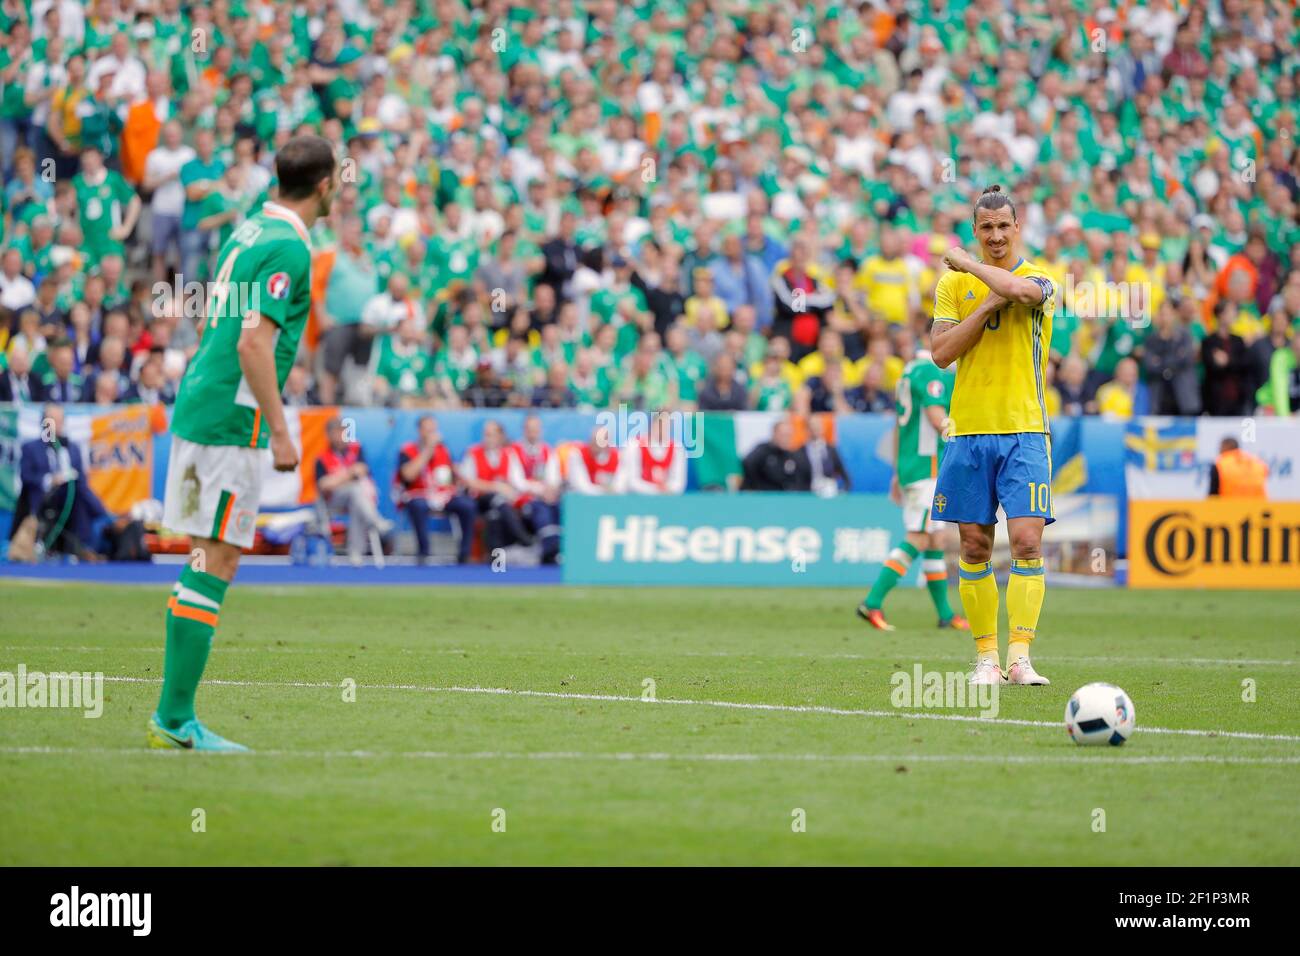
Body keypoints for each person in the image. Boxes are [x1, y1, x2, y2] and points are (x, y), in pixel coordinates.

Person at [152, 134, 337, 752]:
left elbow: (218, 320)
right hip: (232, 420)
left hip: (201, 402)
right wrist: (281, 430)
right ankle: (175, 720)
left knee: (203, 557)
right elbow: (253, 343)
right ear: (325, 185)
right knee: (219, 559)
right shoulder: (287, 246)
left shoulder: (252, 229)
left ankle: (172, 717)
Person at [930, 185, 1056, 686]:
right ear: (976, 230)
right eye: (987, 227)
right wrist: (982, 305)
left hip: (1025, 429)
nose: (997, 235)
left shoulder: (1041, 279)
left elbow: (1022, 293)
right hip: (968, 431)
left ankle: (1020, 656)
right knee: (975, 546)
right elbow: (941, 353)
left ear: (1018, 227)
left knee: (1026, 541)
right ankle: (987, 659)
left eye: (1005, 226)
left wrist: (969, 264)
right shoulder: (950, 287)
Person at [859, 323, 968, 632]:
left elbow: (899, 424)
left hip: (913, 467)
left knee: (936, 538)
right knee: (919, 536)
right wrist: (965, 439)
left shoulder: (909, 372)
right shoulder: (932, 373)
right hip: (927, 468)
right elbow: (936, 419)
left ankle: (945, 614)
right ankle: (872, 602)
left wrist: (896, 470)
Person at [17, 403, 109, 560]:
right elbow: (26, 476)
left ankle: (82, 546)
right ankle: (103, 516)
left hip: (71, 496)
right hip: (45, 497)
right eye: (53, 420)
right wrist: (50, 480)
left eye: (60, 421)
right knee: (78, 491)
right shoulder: (31, 448)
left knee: (78, 489)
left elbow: (81, 477)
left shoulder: (71, 448)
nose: (58, 425)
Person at [396, 415, 478, 564]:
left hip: (442, 495)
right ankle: (424, 552)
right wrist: (428, 450)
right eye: (428, 430)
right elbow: (408, 475)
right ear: (420, 431)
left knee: (467, 505)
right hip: (418, 494)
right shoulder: (407, 450)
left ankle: (464, 554)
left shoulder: (443, 450)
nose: (432, 434)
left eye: (434, 430)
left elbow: (450, 477)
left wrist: (458, 475)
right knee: (418, 506)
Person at [315, 415, 394, 565]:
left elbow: (362, 470)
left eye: (343, 431)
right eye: (337, 432)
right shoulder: (322, 458)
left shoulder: (356, 450)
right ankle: (375, 521)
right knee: (355, 491)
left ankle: (355, 553)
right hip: (333, 501)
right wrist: (349, 474)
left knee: (356, 498)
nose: (341, 435)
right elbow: (324, 485)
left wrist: (339, 478)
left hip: (356, 499)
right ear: (329, 435)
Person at [460, 419, 533, 558]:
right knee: (497, 499)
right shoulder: (473, 453)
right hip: (478, 500)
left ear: (500, 436)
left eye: (491, 434)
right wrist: (496, 487)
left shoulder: (509, 454)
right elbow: (468, 482)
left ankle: (496, 561)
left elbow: (517, 482)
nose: (487, 438)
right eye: (486, 434)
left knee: (497, 513)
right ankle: (525, 540)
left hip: (501, 503)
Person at [508, 413, 562, 563]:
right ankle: (550, 549)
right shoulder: (514, 450)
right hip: (525, 499)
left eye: (536, 429)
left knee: (559, 507)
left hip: (546, 497)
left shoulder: (547, 450)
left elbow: (554, 477)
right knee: (541, 510)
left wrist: (550, 489)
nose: (533, 433)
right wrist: (540, 490)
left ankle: (558, 547)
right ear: (524, 430)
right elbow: (517, 481)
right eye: (530, 429)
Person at [741, 419, 811, 491]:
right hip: (764, 495)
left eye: (789, 436)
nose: (786, 439)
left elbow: (803, 480)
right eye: (783, 435)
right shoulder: (762, 451)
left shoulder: (796, 456)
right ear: (774, 434)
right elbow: (747, 466)